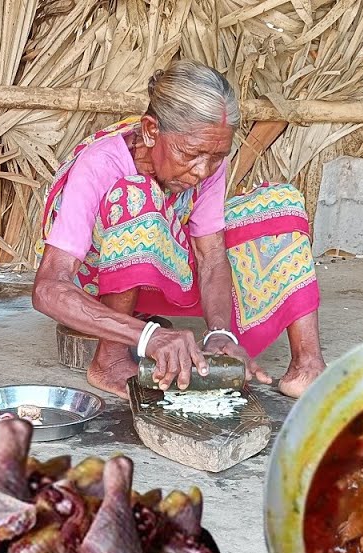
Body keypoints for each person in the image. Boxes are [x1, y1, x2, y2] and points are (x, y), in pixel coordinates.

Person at [32, 60, 326, 399]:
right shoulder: (101, 164)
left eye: (216, 156)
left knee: (281, 203)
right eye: (191, 154)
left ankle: (307, 366)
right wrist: (149, 337)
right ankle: (109, 359)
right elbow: (47, 288)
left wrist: (220, 334)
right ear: (151, 130)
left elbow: (212, 255)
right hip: (97, 281)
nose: (203, 170)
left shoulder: (208, 154)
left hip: (161, 268)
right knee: (135, 195)